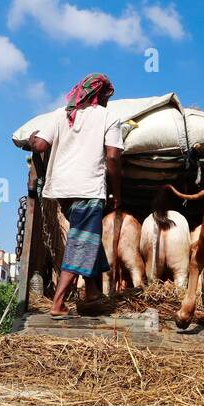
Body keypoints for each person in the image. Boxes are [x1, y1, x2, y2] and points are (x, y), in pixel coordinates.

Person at [27, 73, 124, 318]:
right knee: (81, 242)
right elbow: (112, 156)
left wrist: (31, 138)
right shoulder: (108, 117)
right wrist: (117, 192)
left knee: (87, 237)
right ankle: (58, 302)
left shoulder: (61, 114)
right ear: (102, 95)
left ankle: (92, 292)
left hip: (62, 192)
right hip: (89, 190)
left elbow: (39, 145)